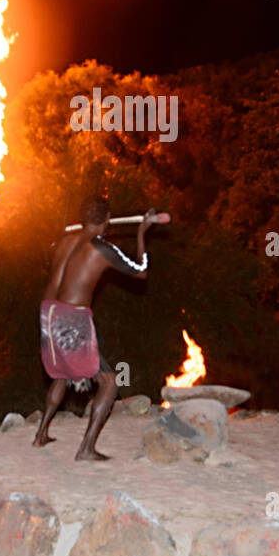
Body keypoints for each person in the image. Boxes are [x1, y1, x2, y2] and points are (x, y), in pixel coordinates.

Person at [35, 197, 161, 461]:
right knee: (109, 382)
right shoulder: (101, 248)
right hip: (71, 319)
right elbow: (140, 271)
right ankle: (86, 448)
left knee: (62, 372)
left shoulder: (64, 241)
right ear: (107, 220)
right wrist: (141, 234)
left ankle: (41, 434)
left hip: (48, 312)